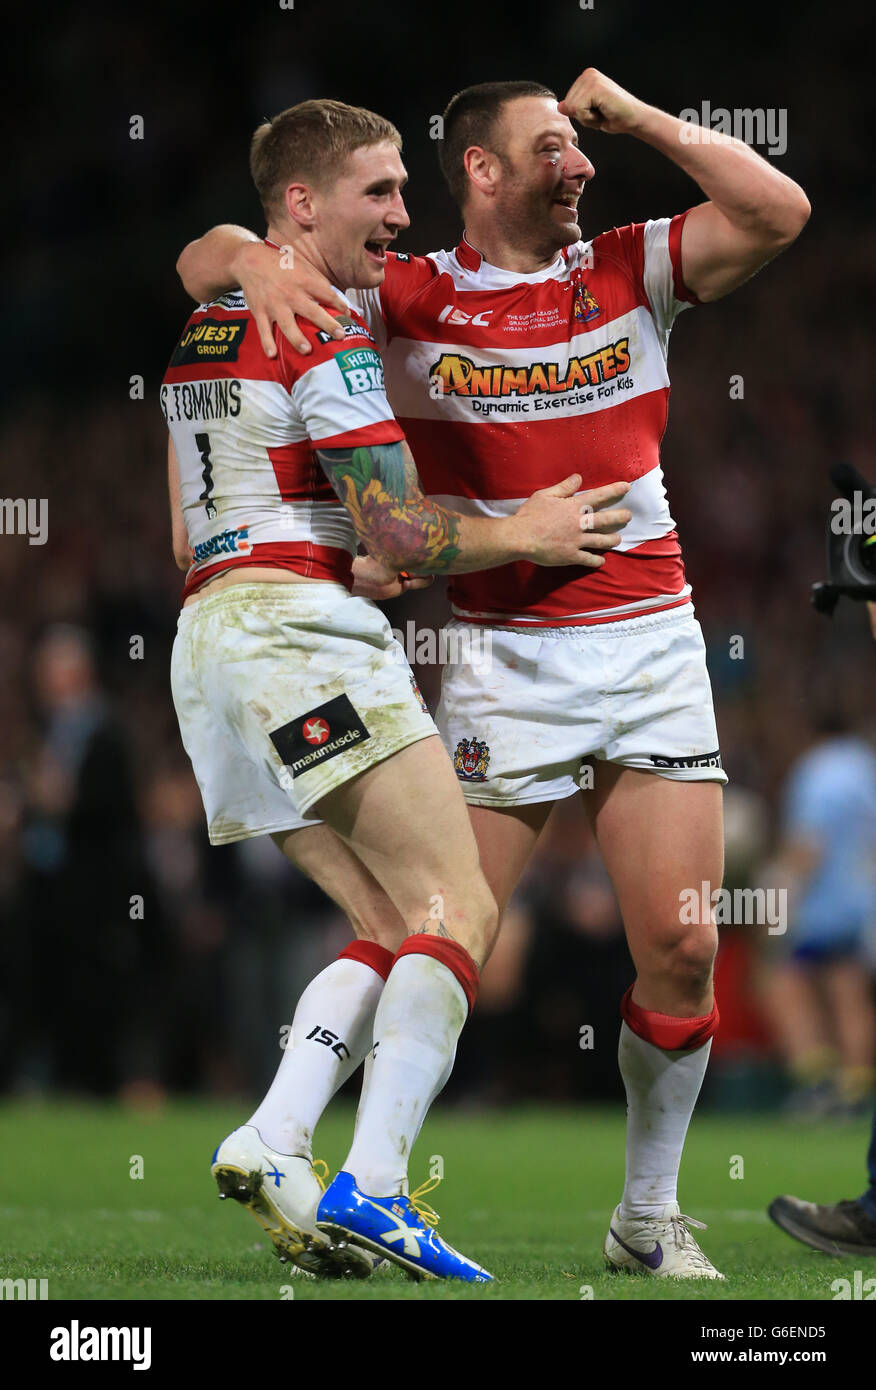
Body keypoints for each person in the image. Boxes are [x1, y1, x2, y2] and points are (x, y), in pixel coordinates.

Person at [178, 67, 811, 1278]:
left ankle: (646, 1213)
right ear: (481, 168)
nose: (578, 166)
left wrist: (638, 118)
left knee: (682, 947)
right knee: (438, 921)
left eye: (583, 148)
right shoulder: (402, 298)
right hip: (496, 653)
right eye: (552, 149)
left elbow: (779, 212)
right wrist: (247, 259)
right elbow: (210, 264)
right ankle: (323, 1154)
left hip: (649, 639)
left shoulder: (626, 268)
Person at [163, 97, 628, 1282]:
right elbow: (401, 534)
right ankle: (374, 1186)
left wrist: (340, 542)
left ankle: (275, 1135)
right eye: (379, 191)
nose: (402, 213)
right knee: (458, 907)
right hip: (298, 639)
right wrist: (519, 527)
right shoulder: (320, 322)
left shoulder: (208, 328)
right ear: (303, 205)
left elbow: (188, 532)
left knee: (385, 923)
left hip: (210, 642)